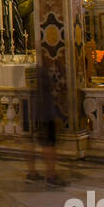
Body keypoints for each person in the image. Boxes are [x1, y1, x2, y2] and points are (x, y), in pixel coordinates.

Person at [26, 60, 68, 188]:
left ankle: (32, 172)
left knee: (29, 141)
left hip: (29, 109)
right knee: (49, 143)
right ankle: (51, 174)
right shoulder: (45, 71)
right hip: (44, 111)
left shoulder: (32, 71)